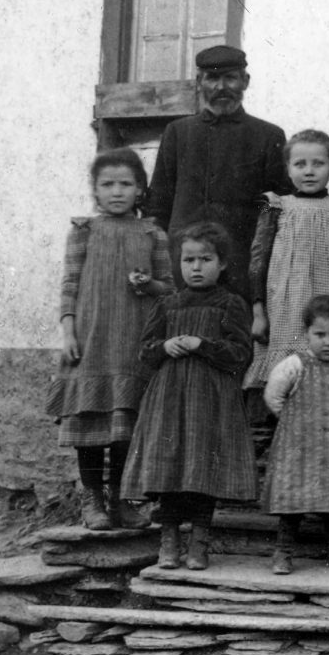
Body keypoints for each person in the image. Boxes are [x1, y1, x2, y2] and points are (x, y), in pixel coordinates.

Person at [47, 147, 174, 530]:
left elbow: (168, 288)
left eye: (126, 183)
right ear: (95, 190)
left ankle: (121, 499)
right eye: (108, 184)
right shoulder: (83, 231)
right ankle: (92, 500)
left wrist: (147, 284)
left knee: (123, 426)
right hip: (90, 341)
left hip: (133, 341)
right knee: (89, 425)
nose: (117, 191)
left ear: (140, 189)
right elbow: (69, 284)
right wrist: (68, 331)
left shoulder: (153, 233)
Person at [120, 222, 256, 570]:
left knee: (203, 469)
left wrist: (203, 345)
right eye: (188, 260)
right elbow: (145, 351)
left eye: (205, 259)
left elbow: (242, 353)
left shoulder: (231, 304)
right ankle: (169, 541)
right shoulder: (167, 304)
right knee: (168, 466)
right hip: (169, 398)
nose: (195, 267)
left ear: (222, 263)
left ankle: (199, 542)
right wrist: (165, 346)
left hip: (212, 399)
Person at [145, 45, 287, 301]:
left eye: (230, 77)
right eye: (212, 78)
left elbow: (278, 204)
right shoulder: (177, 133)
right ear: (200, 82)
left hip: (241, 264)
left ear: (245, 81)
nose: (221, 87)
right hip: (185, 263)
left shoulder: (268, 136)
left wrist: (258, 223)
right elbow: (159, 203)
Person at [244, 129, 329, 394]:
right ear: (288, 168)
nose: (309, 171)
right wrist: (258, 312)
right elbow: (258, 257)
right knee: (281, 382)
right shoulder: (271, 204)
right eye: (300, 164)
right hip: (283, 307)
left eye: (319, 163)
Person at [262, 294, 329, 574]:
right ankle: (283, 552)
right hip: (299, 446)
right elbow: (274, 397)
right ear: (307, 333)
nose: (328, 342)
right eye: (320, 334)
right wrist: (294, 422)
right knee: (292, 501)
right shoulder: (294, 365)